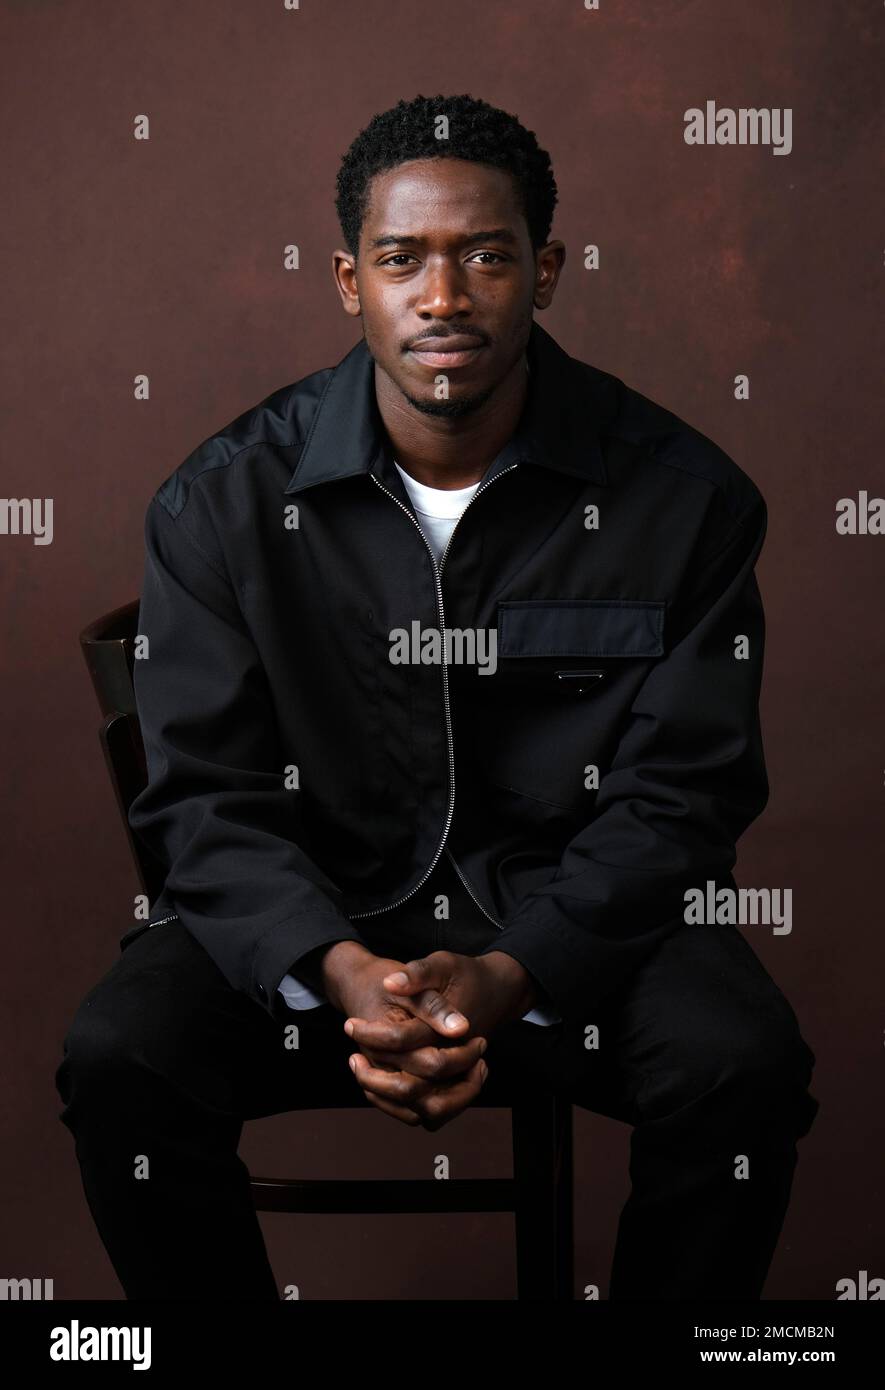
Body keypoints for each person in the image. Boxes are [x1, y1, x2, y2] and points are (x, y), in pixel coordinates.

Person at [56, 93, 818, 1301]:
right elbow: (201, 799)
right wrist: (343, 969)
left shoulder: (685, 498)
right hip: (313, 937)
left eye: (487, 256)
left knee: (745, 1065)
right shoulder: (223, 502)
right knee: (118, 1058)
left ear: (548, 272)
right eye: (406, 260)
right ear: (351, 281)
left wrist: (517, 971)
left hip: (579, 938)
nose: (446, 298)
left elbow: (683, 795)